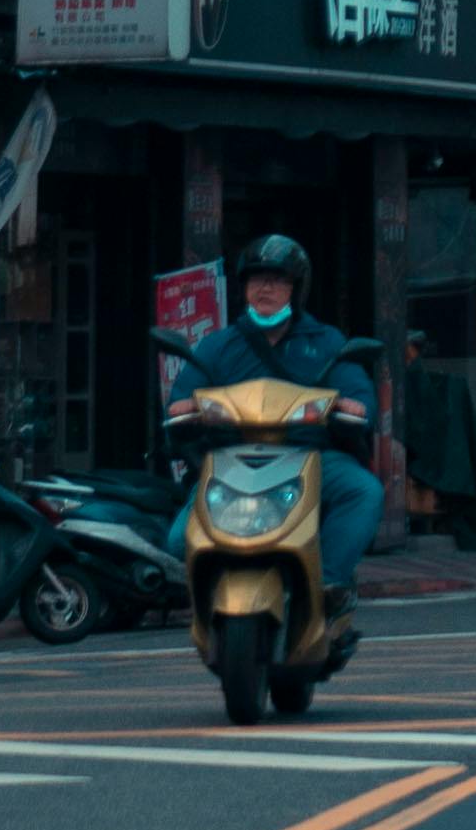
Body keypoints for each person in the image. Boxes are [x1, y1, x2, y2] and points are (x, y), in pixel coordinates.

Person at [163, 233, 402, 618]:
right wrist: (186, 406)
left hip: (310, 457)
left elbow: (362, 399)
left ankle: (329, 583)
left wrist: (352, 405)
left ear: (296, 288)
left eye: (278, 279)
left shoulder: (326, 342)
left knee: (365, 491)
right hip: (231, 461)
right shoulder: (217, 345)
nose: (266, 287)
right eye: (257, 279)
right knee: (178, 541)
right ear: (243, 288)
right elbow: (180, 399)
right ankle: (216, 598)